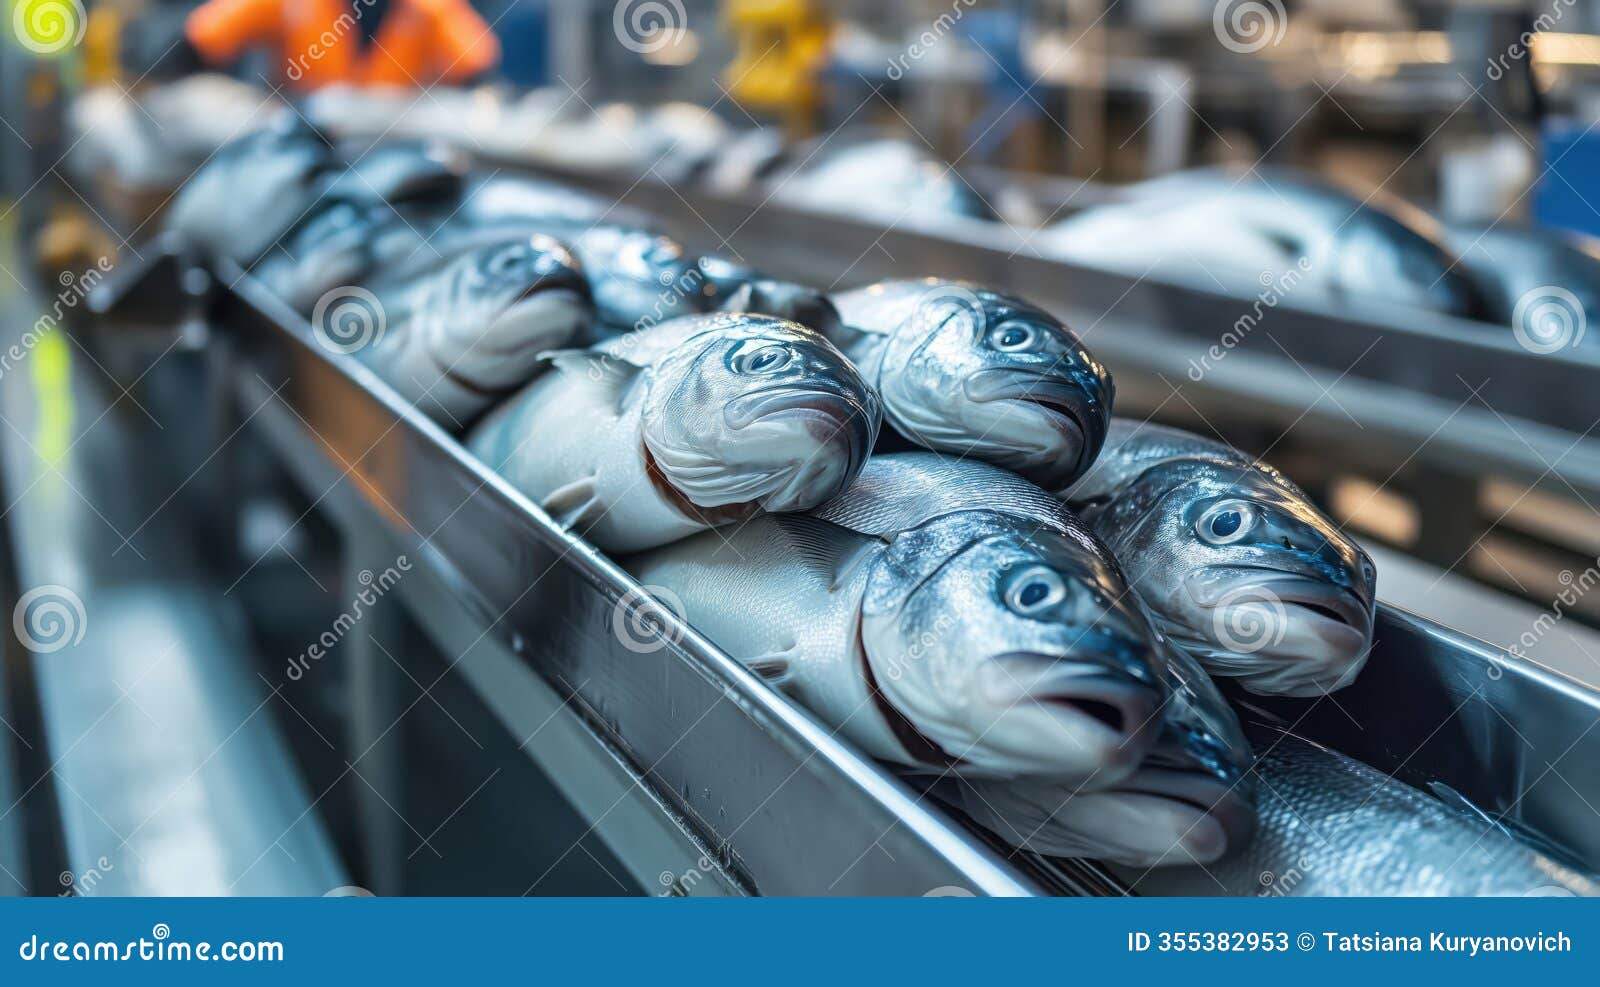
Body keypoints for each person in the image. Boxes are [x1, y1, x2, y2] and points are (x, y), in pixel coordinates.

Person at [173, 0, 499, 90]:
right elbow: (202, 37)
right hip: (302, 151)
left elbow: (477, 66)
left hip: (388, 150)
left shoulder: (429, 8)